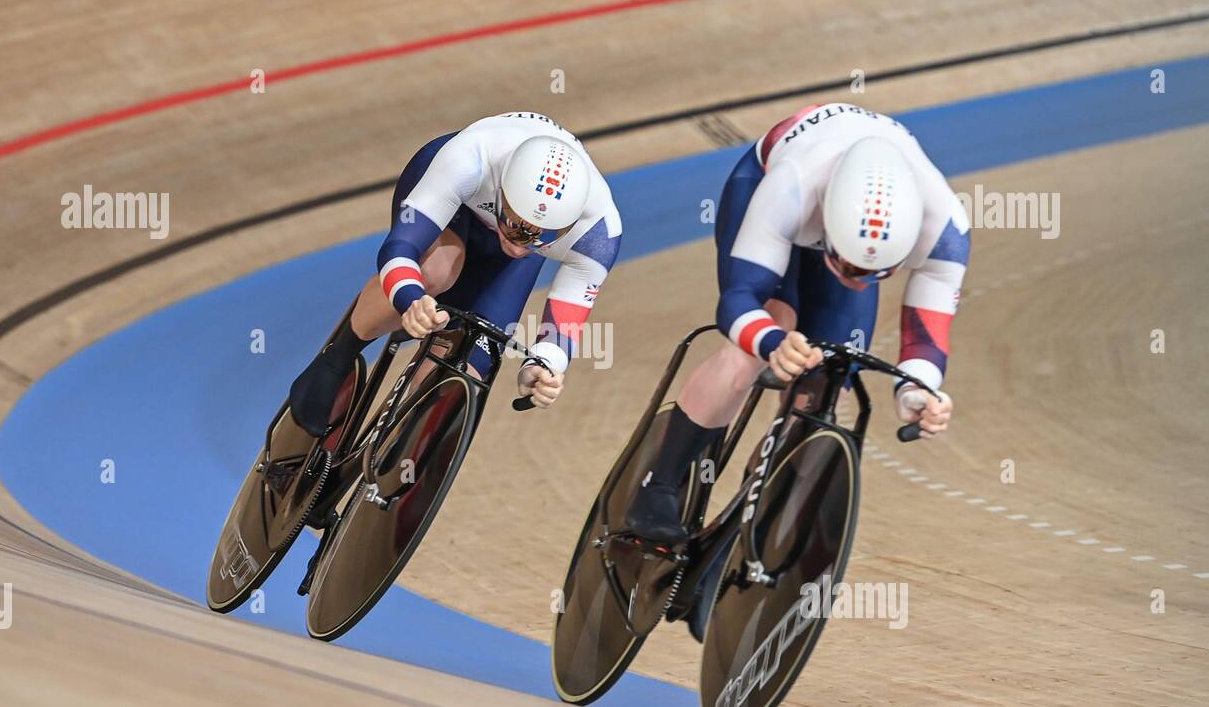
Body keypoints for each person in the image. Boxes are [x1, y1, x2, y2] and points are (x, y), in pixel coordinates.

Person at [627, 102, 971, 548]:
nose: (857, 280)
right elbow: (739, 300)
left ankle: (750, 513)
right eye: (846, 264)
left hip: (837, 218)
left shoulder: (944, 230)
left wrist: (916, 390)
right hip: (768, 185)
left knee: (830, 377)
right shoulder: (791, 188)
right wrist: (770, 342)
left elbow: (925, 338)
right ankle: (657, 486)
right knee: (762, 338)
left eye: (872, 274)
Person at [288, 112, 622, 435]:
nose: (523, 246)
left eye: (544, 236)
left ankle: (394, 454)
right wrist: (411, 298)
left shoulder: (598, 234)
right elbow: (401, 248)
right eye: (519, 228)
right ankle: (337, 357)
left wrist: (543, 368)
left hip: (498, 225)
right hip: (454, 204)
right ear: (502, 190)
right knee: (435, 272)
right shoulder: (469, 160)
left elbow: (563, 327)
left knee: (468, 373)